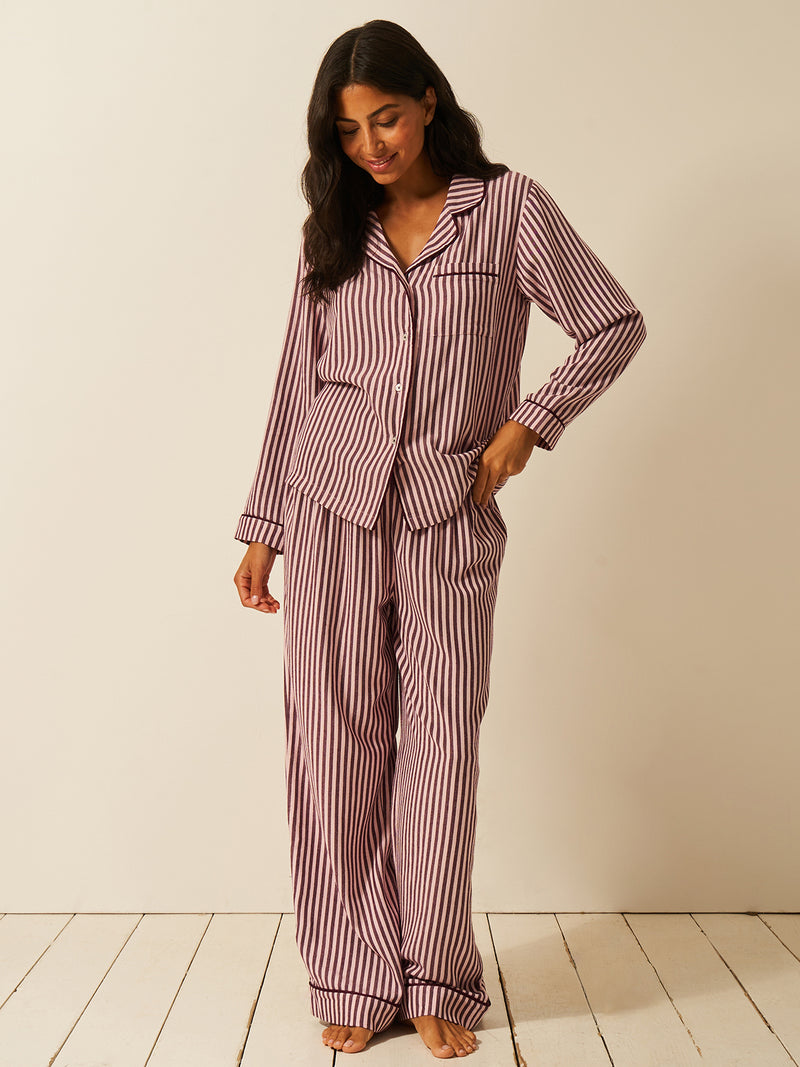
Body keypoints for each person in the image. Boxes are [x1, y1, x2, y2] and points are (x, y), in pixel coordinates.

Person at [233, 18, 646, 1059]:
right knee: (332, 749)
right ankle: (354, 973)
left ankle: (436, 976)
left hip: (445, 513)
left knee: (440, 749)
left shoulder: (507, 210)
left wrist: (527, 424)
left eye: (385, 118)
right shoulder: (333, 231)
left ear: (426, 101)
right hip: (329, 509)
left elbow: (612, 321)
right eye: (347, 131)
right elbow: (295, 381)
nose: (370, 145)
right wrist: (264, 526)